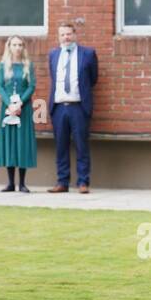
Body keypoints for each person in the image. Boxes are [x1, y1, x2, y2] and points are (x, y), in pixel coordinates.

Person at [46, 22, 98, 193]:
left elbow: (93, 79)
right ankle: (62, 181)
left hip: (78, 107)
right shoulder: (53, 54)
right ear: (58, 37)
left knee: (81, 145)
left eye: (68, 34)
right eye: (62, 34)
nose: (66, 37)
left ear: (74, 35)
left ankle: (83, 182)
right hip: (59, 107)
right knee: (61, 146)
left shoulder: (88, 54)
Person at [0, 35, 36, 192]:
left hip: (23, 109)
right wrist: (9, 104)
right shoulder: (3, 65)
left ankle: (23, 183)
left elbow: (31, 86)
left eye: (20, 45)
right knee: (10, 142)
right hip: (7, 109)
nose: (17, 47)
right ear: (9, 46)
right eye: (14, 44)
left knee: (22, 143)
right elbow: (0, 86)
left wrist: (19, 103)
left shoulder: (28, 65)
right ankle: (11, 183)